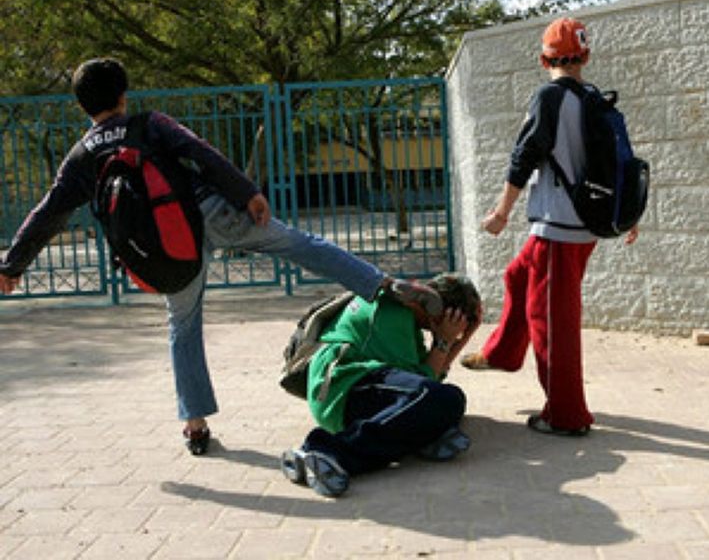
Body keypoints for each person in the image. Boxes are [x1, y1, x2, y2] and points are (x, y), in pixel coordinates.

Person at [0, 57, 444, 455]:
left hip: (169, 252)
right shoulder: (150, 123)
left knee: (183, 325)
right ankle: (380, 283)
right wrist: (246, 191)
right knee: (299, 244)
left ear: (84, 106)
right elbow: (201, 153)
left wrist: (12, 265)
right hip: (212, 213)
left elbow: (48, 212)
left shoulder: (83, 155)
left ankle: (194, 423)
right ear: (123, 95)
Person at [460, 18, 638, 437]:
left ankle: (566, 415)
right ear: (586, 57)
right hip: (584, 225)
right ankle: (503, 352)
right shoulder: (595, 99)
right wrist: (629, 216)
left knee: (553, 324)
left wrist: (501, 212)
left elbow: (524, 157)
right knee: (517, 276)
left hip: (559, 229)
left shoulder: (549, 98)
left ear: (544, 59)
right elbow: (623, 161)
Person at [281, 273, 481, 497]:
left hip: (358, 388)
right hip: (344, 388)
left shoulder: (406, 316)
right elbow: (423, 387)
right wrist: (444, 341)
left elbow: (426, 379)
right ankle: (327, 451)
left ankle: (419, 437)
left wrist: (459, 338)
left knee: (450, 397)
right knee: (441, 399)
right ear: (443, 313)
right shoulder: (392, 312)